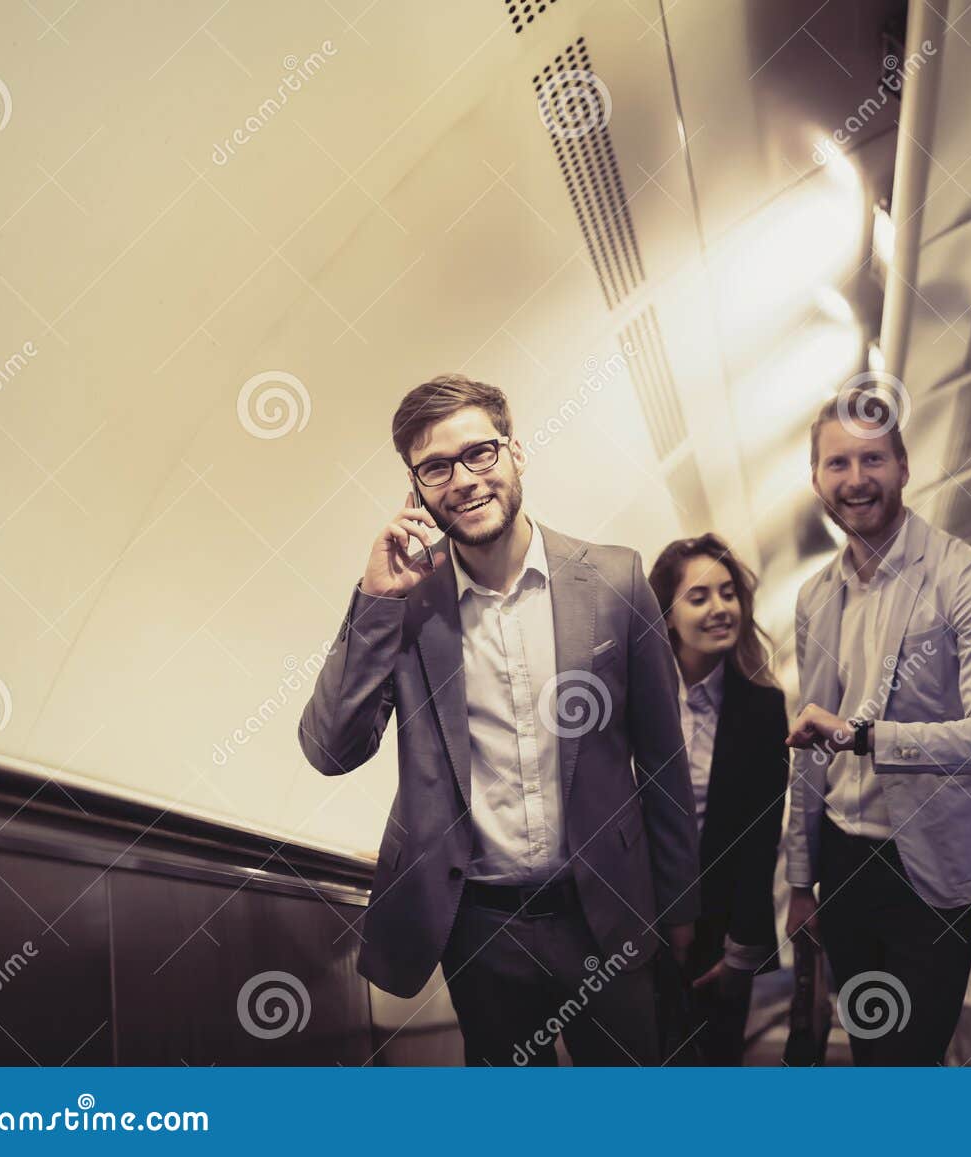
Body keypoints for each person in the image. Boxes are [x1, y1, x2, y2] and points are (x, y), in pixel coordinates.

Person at [297, 373, 700, 1066]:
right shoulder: (406, 604)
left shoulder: (614, 580)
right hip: (481, 928)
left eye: (480, 453)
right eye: (436, 467)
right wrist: (375, 598)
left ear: (516, 451)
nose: (464, 479)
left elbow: (663, 762)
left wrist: (684, 907)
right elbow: (331, 747)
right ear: (416, 488)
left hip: (605, 909)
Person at [782, 386, 971, 1065]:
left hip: (933, 868)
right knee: (869, 1052)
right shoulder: (814, 597)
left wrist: (864, 738)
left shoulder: (962, 575)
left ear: (903, 466)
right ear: (816, 478)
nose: (855, 480)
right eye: (837, 464)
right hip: (845, 863)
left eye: (872, 460)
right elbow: (809, 746)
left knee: (910, 1059)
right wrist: (801, 882)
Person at [648, 534, 788, 1065]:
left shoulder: (762, 709)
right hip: (636, 929)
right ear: (666, 614)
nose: (720, 608)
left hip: (717, 938)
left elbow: (760, 840)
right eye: (700, 596)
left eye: (728, 593)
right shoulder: (629, 700)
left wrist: (742, 954)